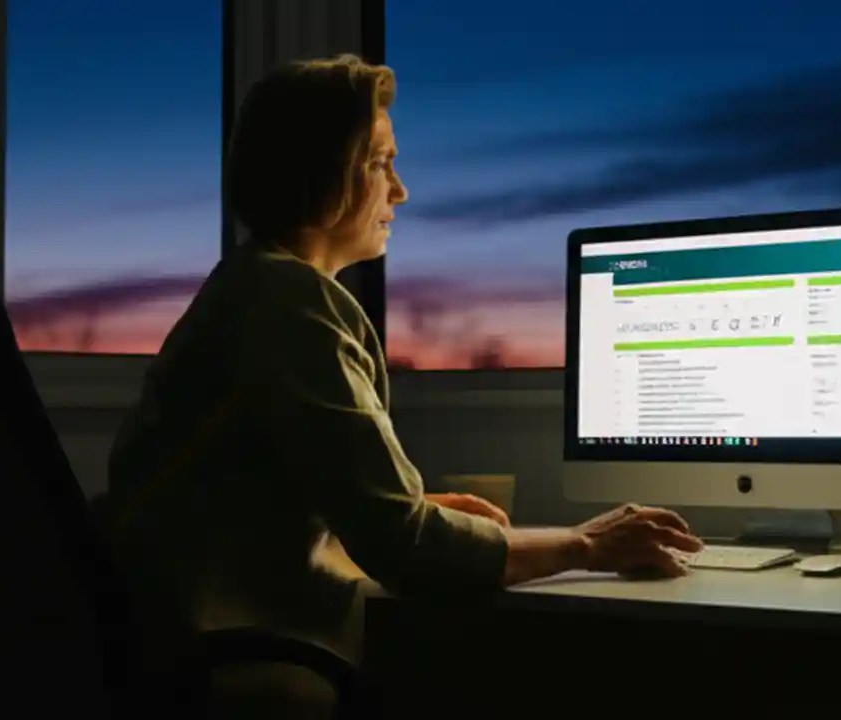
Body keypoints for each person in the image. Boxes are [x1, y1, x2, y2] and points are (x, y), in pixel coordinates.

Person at [105, 54, 703, 712]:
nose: (401, 191)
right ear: (324, 172)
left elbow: (264, 494)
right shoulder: (289, 303)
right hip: (238, 671)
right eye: (380, 163)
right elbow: (406, 550)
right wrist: (586, 546)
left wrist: (417, 506)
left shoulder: (248, 287)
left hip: (172, 646)